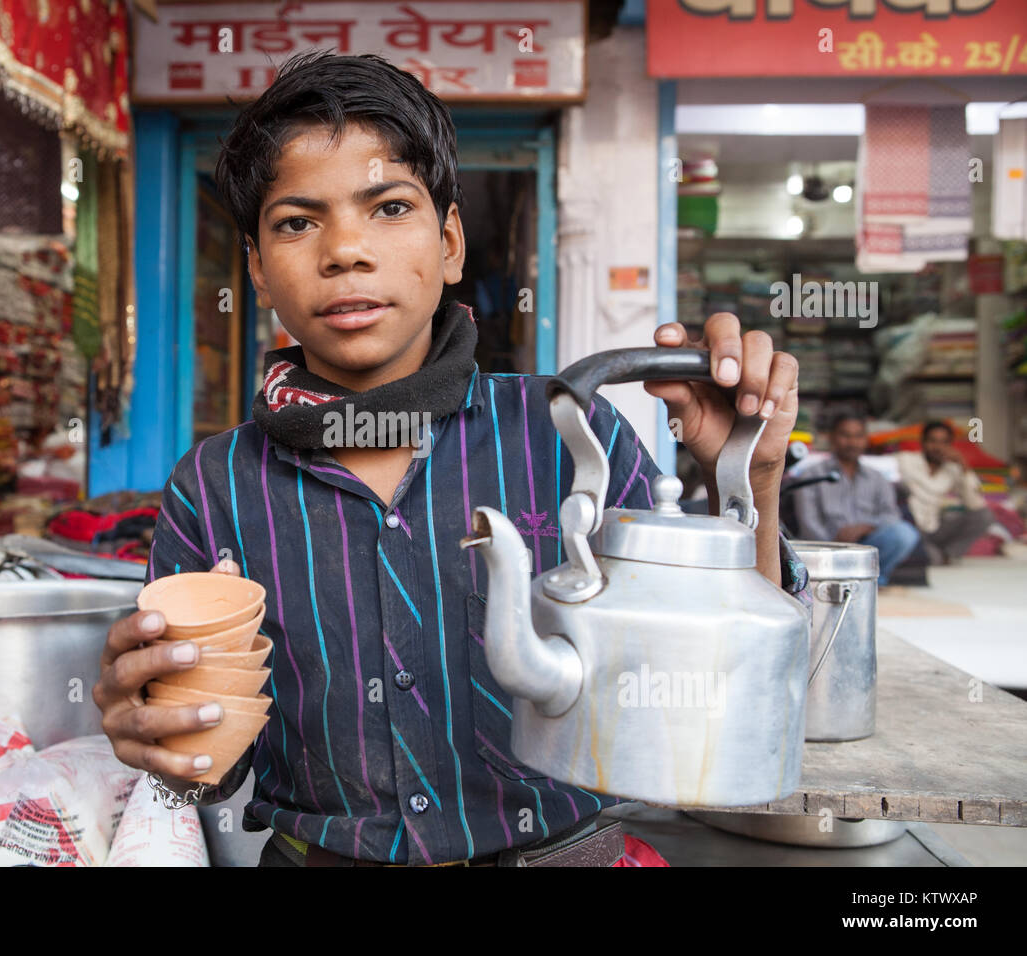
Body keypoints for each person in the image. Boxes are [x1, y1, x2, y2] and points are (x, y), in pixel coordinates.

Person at [93, 51, 809, 868]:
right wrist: (156, 736)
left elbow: (718, 693)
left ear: (451, 242)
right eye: (297, 221)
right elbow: (206, 776)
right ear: (256, 268)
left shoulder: (571, 434)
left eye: (389, 208)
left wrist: (744, 479)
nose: (346, 251)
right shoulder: (215, 487)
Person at [792, 412, 921, 586]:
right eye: (845, 435)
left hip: (867, 545)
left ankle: (873, 582)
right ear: (831, 437)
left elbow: (891, 516)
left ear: (865, 439)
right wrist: (835, 543)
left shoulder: (877, 478)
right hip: (826, 548)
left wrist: (866, 527)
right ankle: (849, 581)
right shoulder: (812, 475)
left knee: (904, 533)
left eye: (858, 436)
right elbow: (808, 522)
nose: (852, 442)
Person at [896, 421, 994, 565]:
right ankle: (936, 555)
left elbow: (975, 504)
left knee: (984, 515)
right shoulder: (904, 461)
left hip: (935, 527)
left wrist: (963, 465)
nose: (938, 447)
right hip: (911, 528)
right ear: (922, 442)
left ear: (950, 445)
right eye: (932, 441)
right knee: (932, 558)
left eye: (944, 442)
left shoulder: (953, 469)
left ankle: (948, 554)